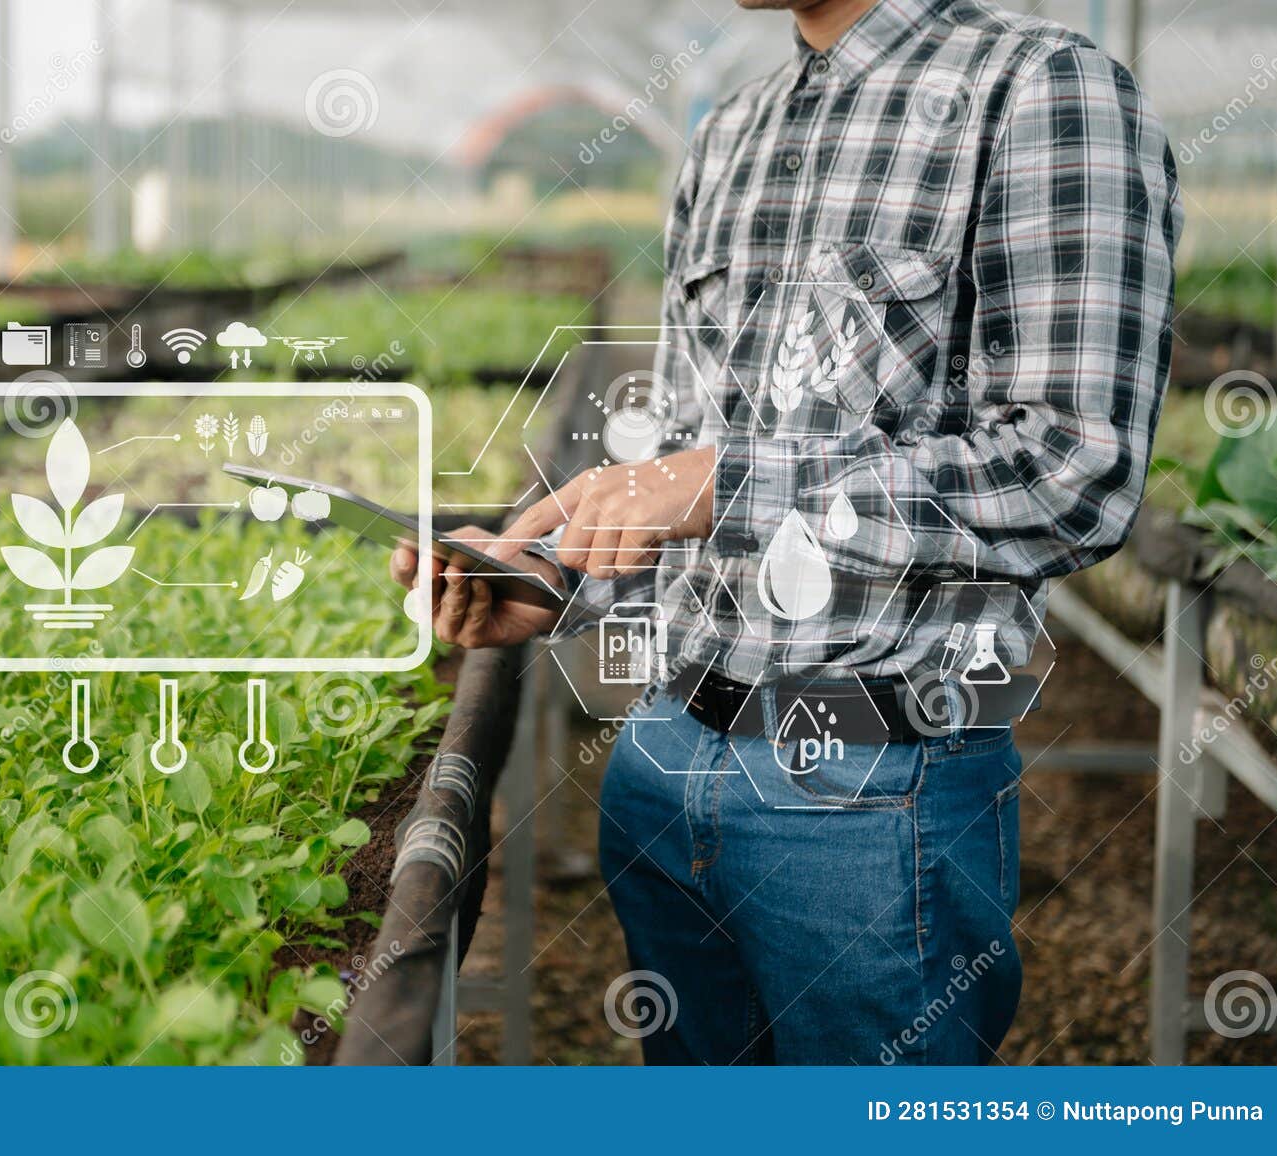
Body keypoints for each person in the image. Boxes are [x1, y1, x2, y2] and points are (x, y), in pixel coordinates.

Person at [393, 0, 1180, 1064]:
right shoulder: (731, 130)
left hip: (869, 787)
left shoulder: (1040, 92)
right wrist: (555, 580)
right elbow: (689, 476)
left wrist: (728, 482)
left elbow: (1072, 473)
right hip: (664, 757)